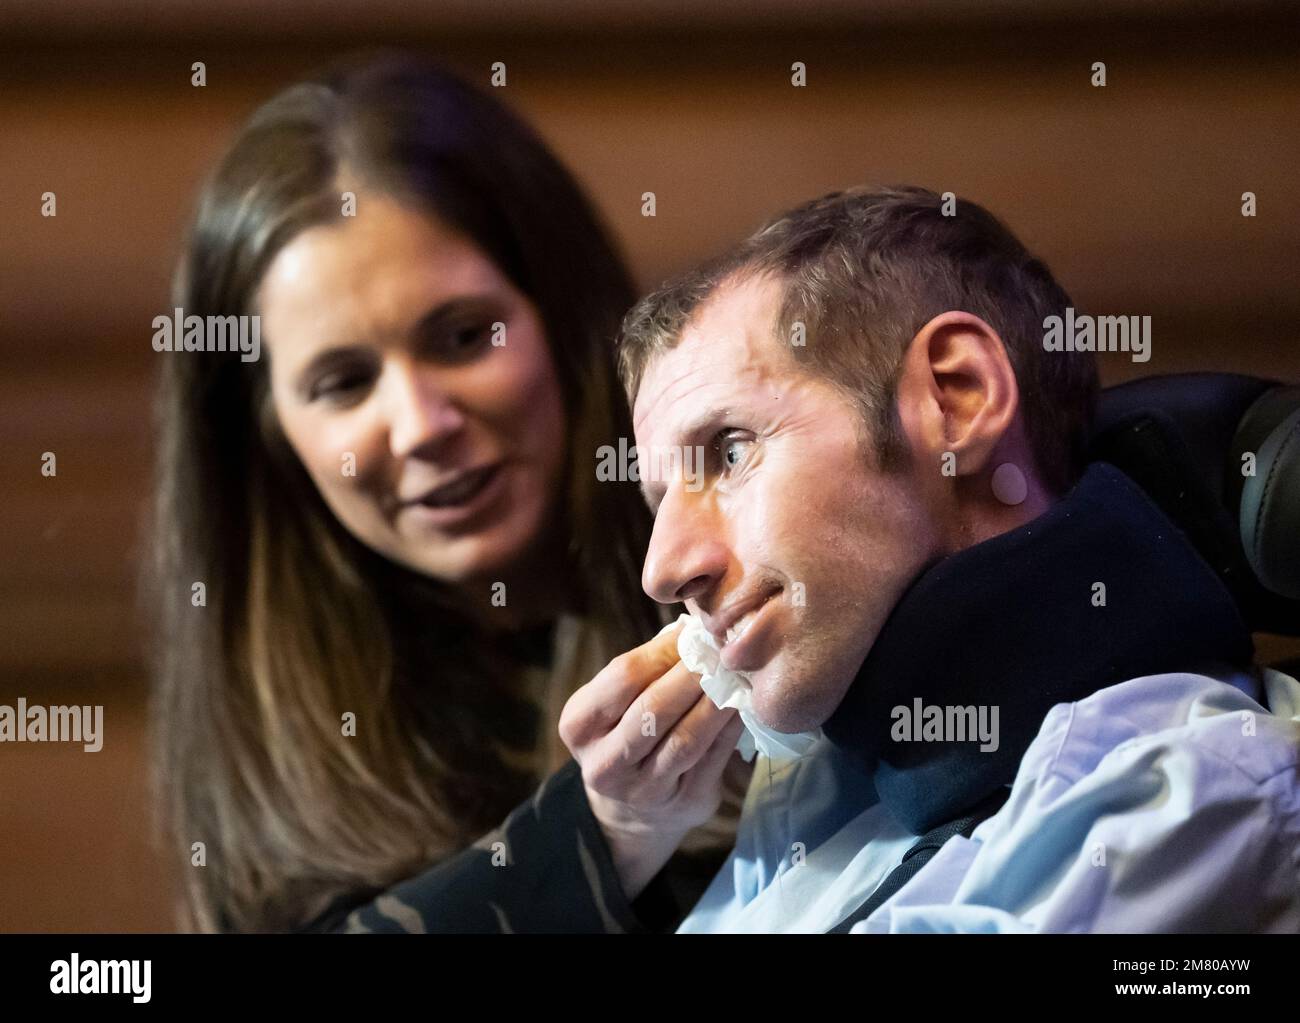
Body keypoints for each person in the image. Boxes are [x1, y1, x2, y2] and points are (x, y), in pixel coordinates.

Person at [592, 184, 1300, 932]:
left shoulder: (1188, 803)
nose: (662, 567)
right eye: (660, 500)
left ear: (957, 397)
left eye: (730, 451)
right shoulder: (808, 804)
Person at [147, 54, 749, 935]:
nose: (421, 422)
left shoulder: (752, 549)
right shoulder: (276, 722)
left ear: (562, 316)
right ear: (271, 438)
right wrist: (605, 832)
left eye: (464, 336)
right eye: (344, 383)